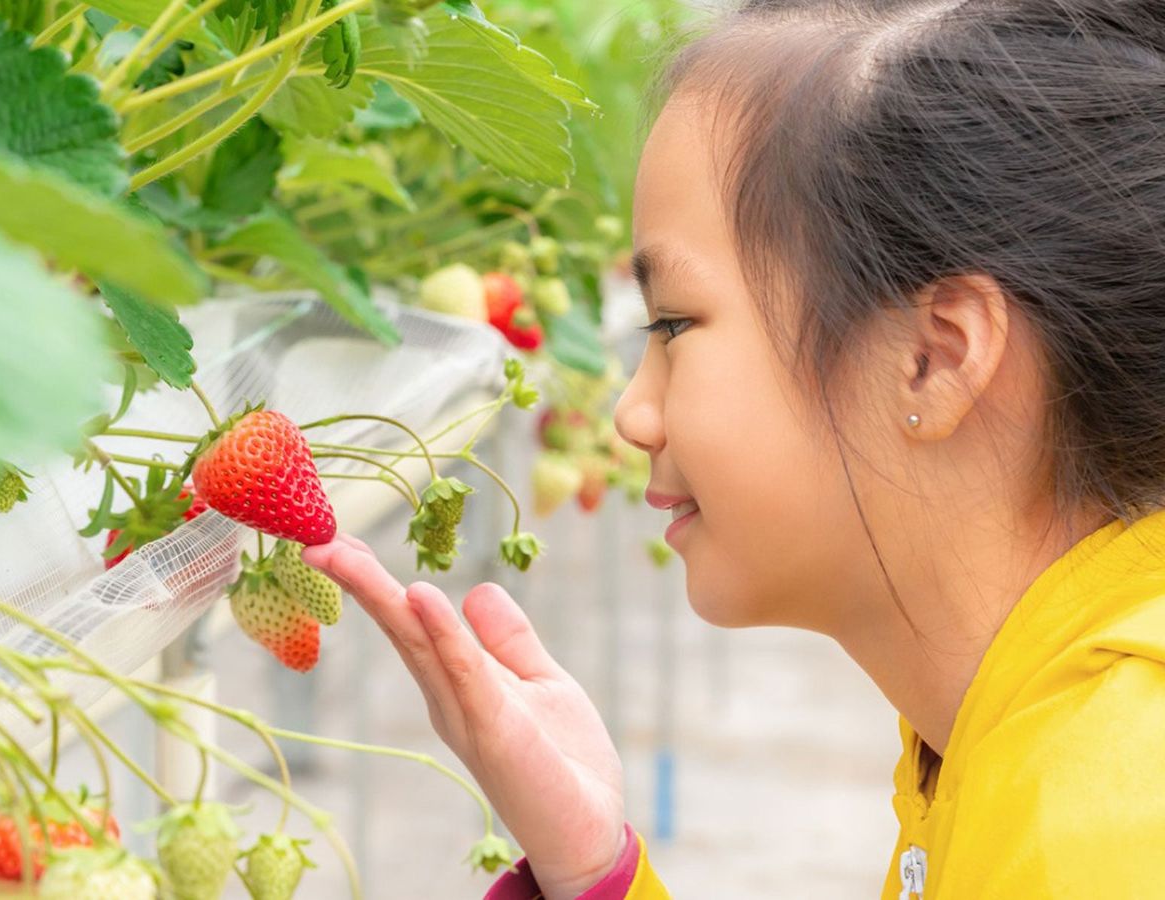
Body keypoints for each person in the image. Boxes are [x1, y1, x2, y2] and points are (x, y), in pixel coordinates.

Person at [302, 0, 1165, 896]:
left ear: (932, 359)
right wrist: (592, 868)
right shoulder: (1024, 742)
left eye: (674, 325)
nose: (632, 414)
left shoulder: (1097, 830)